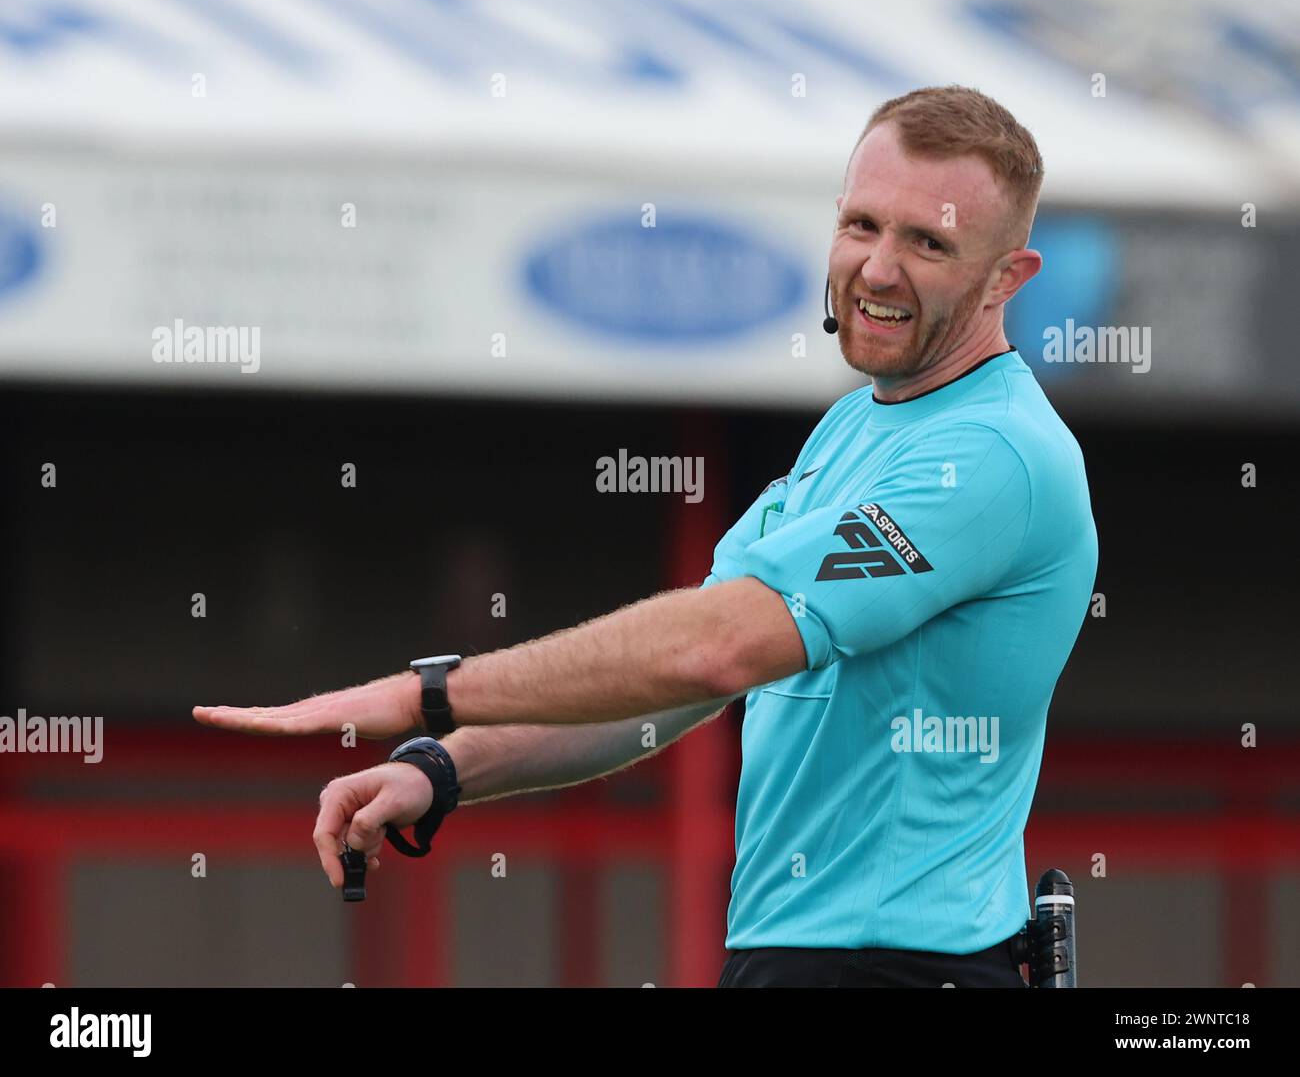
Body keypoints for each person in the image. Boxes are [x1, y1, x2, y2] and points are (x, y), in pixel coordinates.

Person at [194, 85, 1098, 988]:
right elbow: (663, 693)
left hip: (905, 970)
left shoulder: (995, 453)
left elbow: (715, 649)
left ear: (1006, 279)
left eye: (928, 242)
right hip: (804, 962)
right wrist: (444, 765)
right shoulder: (853, 429)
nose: (878, 269)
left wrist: (430, 694)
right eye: (863, 224)